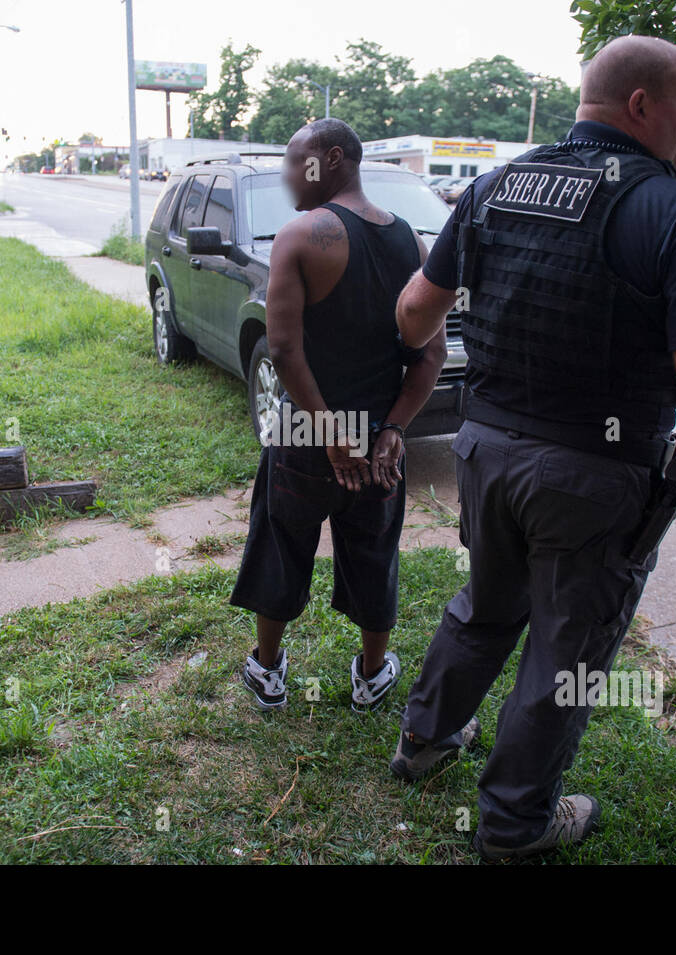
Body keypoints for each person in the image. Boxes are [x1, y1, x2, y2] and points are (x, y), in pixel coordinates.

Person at [389, 35, 676, 860]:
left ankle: (424, 742)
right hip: (591, 479)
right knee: (566, 649)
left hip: (485, 454)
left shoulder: (492, 188)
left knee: (486, 606)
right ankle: (515, 824)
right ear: (641, 106)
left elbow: (411, 315)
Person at [229, 118, 447, 712]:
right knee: (374, 552)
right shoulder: (411, 243)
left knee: (281, 542)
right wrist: (394, 428)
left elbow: (283, 350)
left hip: (306, 430)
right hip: (377, 434)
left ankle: (268, 669)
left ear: (330, 159)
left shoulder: (300, 235)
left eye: (293, 162)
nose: (285, 175)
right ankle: (372, 675)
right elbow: (431, 354)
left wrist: (328, 432)